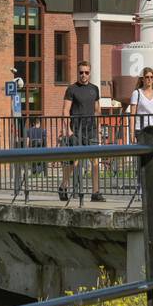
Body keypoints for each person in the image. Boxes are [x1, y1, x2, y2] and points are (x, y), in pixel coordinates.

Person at [60, 61, 104, 202]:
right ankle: (63, 187)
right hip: (76, 130)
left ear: (90, 73)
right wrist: (68, 130)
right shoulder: (71, 89)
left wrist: (99, 129)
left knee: (95, 161)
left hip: (91, 130)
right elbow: (65, 110)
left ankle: (95, 193)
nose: (83, 75)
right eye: (81, 72)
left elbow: (97, 110)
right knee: (74, 161)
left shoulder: (95, 89)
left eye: (86, 72)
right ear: (78, 73)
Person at [127, 67, 153, 135]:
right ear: (142, 79)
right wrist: (132, 133)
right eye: (147, 77)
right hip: (141, 129)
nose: (149, 79)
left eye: (152, 77)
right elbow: (132, 116)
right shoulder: (136, 93)